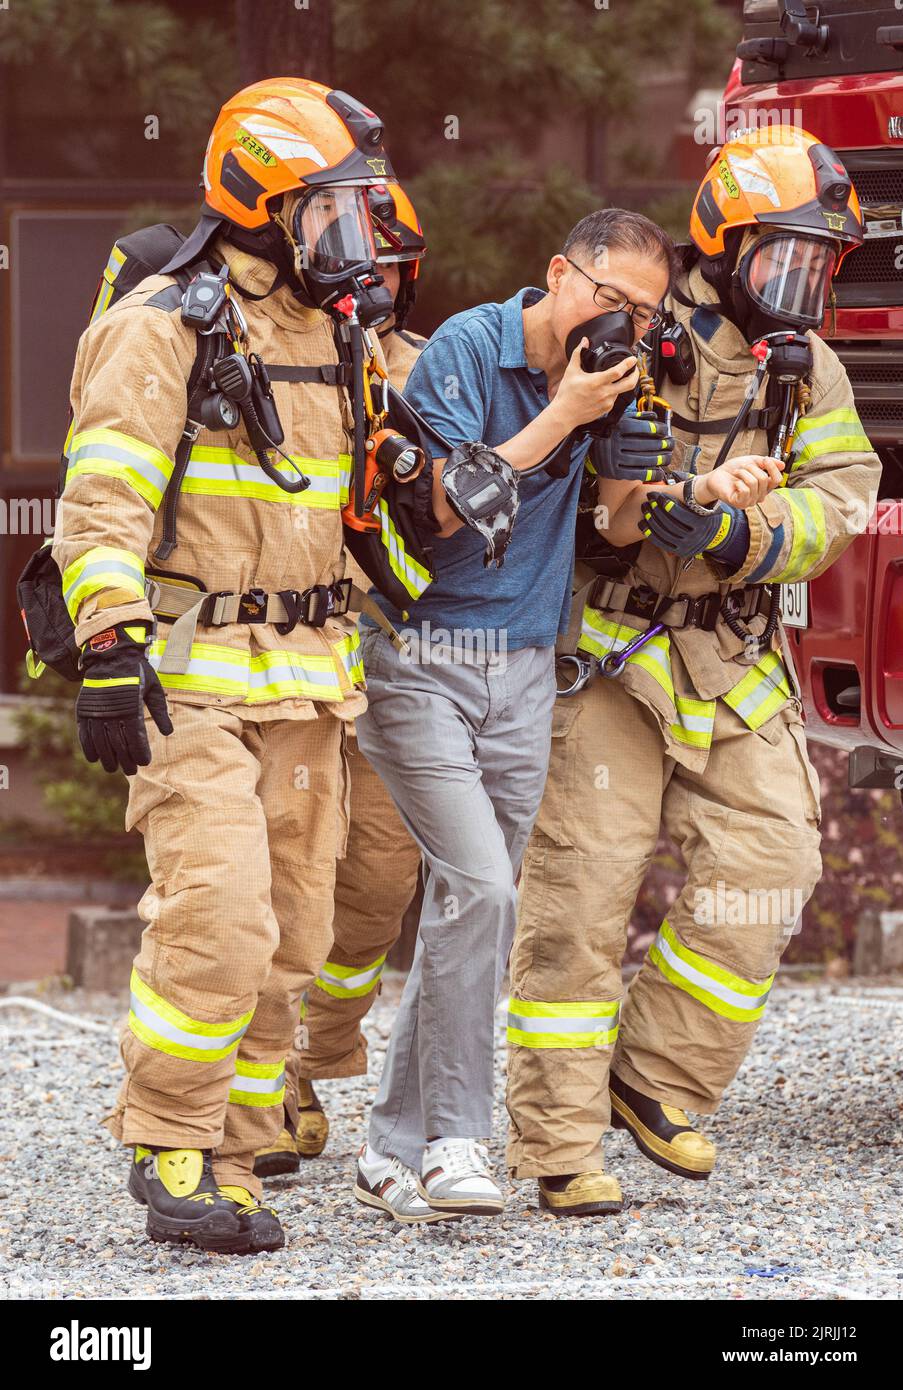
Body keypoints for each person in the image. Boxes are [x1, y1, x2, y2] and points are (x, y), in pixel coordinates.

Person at [52, 77, 401, 1254]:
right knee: (220, 915)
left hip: (307, 679)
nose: (355, 242)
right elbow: (100, 501)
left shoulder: (339, 337)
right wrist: (105, 644)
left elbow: (359, 508)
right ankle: (167, 1139)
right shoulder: (164, 323)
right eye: (332, 213)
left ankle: (236, 1151)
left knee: (294, 936)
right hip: (185, 679)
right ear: (261, 202)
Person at [506, 126, 881, 1216]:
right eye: (783, 257)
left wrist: (746, 537)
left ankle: (651, 1078)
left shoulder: (810, 371)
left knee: (771, 867)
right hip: (613, 654)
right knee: (582, 894)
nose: (799, 285)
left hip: (729, 651)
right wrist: (632, 504)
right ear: (722, 243)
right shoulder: (629, 331)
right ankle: (560, 1143)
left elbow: (843, 493)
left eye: (818, 263)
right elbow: (545, 460)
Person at [350, 208, 679, 1221]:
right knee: (485, 888)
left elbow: (621, 521)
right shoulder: (465, 348)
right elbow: (446, 508)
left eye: (643, 312)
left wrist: (695, 481)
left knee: (466, 902)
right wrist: (565, 413)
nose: (619, 321)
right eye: (607, 297)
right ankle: (456, 1137)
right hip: (423, 658)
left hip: (526, 671)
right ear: (557, 275)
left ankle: (386, 1145)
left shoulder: (611, 375)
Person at [253, 183, 427, 1185]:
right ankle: (268, 1076)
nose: (375, 279)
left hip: (398, 674)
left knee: (375, 885)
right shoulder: (289, 356)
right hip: (297, 672)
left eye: (394, 265)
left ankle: (317, 1059)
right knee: (289, 881)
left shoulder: (421, 370)